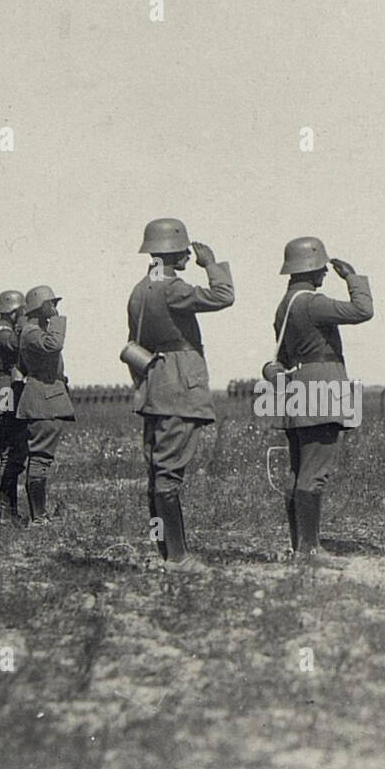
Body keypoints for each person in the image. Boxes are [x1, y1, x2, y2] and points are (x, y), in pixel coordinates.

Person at [126, 218, 234, 565]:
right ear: (173, 252)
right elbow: (224, 296)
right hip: (178, 390)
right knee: (168, 477)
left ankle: (164, 551)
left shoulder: (140, 290)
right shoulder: (172, 287)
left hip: (155, 388)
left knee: (157, 474)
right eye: (185, 249)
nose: (189, 253)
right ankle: (178, 558)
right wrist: (212, 265)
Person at [269, 237, 372, 566]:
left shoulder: (286, 304)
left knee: (300, 471)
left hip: (295, 391)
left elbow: (284, 354)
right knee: (314, 473)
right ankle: (310, 551)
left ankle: (300, 545)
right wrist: (354, 278)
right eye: (322, 268)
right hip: (322, 390)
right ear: (312, 268)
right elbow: (363, 311)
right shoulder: (313, 302)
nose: (325, 274)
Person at [17, 285, 75, 527]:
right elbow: (54, 345)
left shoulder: (34, 331)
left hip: (47, 400)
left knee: (42, 458)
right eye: (51, 304)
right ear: (42, 306)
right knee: (40, 458)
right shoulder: (31, 332)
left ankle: (39, 515)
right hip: (43, 402)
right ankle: (38, 517)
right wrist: (57, 319)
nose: (55, 308)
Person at [0, 290, 28, 524]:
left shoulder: (1, 330)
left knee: (10, 451)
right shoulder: (3, 333)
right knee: (9, 449)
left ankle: (7, 509)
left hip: (6, 388)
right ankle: (6, 510)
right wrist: (24, 323)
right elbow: (18, 344)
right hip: (5, 390)